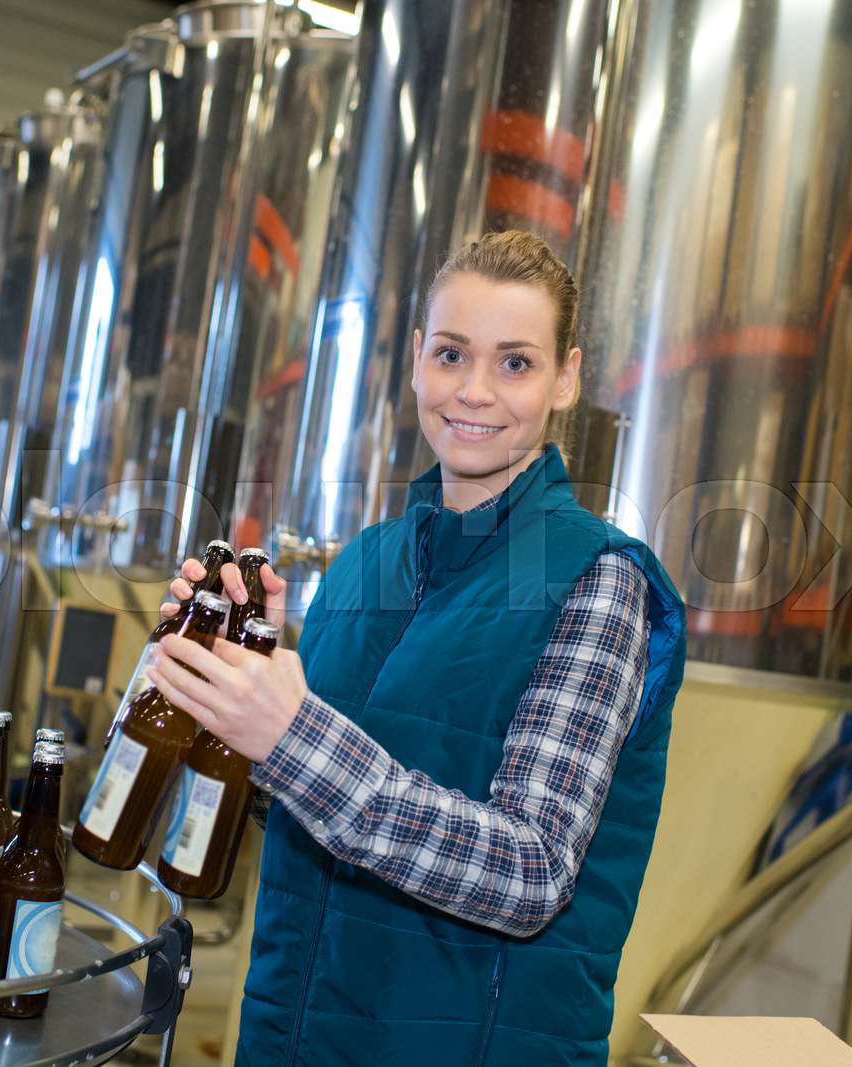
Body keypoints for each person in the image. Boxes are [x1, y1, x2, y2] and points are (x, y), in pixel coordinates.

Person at [150, 230, 686, 1066]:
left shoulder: (598, 580)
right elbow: (298, 805)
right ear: (414, 361)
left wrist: (293, 735)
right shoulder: (366, 560)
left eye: (516, 362)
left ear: (567, 378)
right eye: (451, 354)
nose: (474, 391)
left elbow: (531, 870)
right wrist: (232, 681)